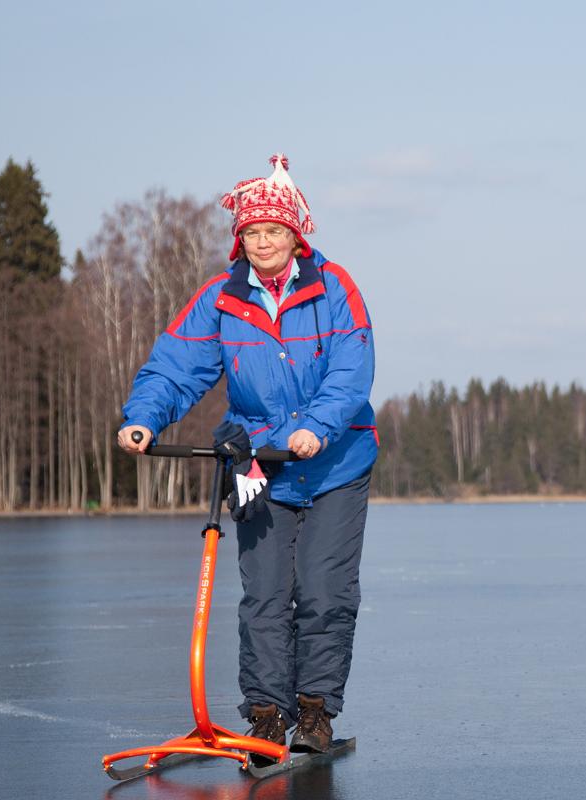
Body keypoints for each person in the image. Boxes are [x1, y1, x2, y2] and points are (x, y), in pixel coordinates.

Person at [119, 154, 377, 759]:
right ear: (242, 240)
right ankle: (265, 715)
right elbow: (176, 366)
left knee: (322, 591)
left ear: (295, 236)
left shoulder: (334, 287)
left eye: (274, 233)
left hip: (336, 461)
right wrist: (142, 418)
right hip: (259, 463)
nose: (264, 243)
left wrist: (316, 427)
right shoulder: (222, 298)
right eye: (253, 234)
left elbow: (352, 368)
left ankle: (313, 712)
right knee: (262, 593)